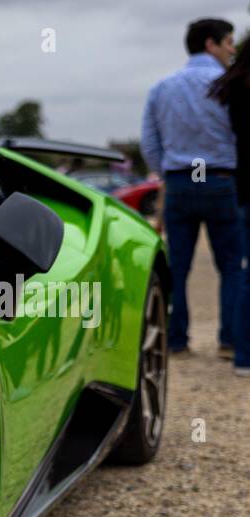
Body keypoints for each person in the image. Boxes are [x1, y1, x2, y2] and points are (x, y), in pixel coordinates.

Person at [141, 18, 242, 356]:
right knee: (230, 265)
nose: (233, 49)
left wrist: (165, 173)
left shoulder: (162, 87)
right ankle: (230, 339)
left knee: (177, 267)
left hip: (182, 180)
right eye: (229, 42)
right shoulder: (230, 85)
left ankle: (177, 340)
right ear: (211, 44)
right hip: (221, 178)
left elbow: (150, 143)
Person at [209, 32, 250, 376]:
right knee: (232, 269)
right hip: (228, 180)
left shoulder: (231, 86)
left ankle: (242, 355)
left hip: (242, 183)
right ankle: (231, 343)